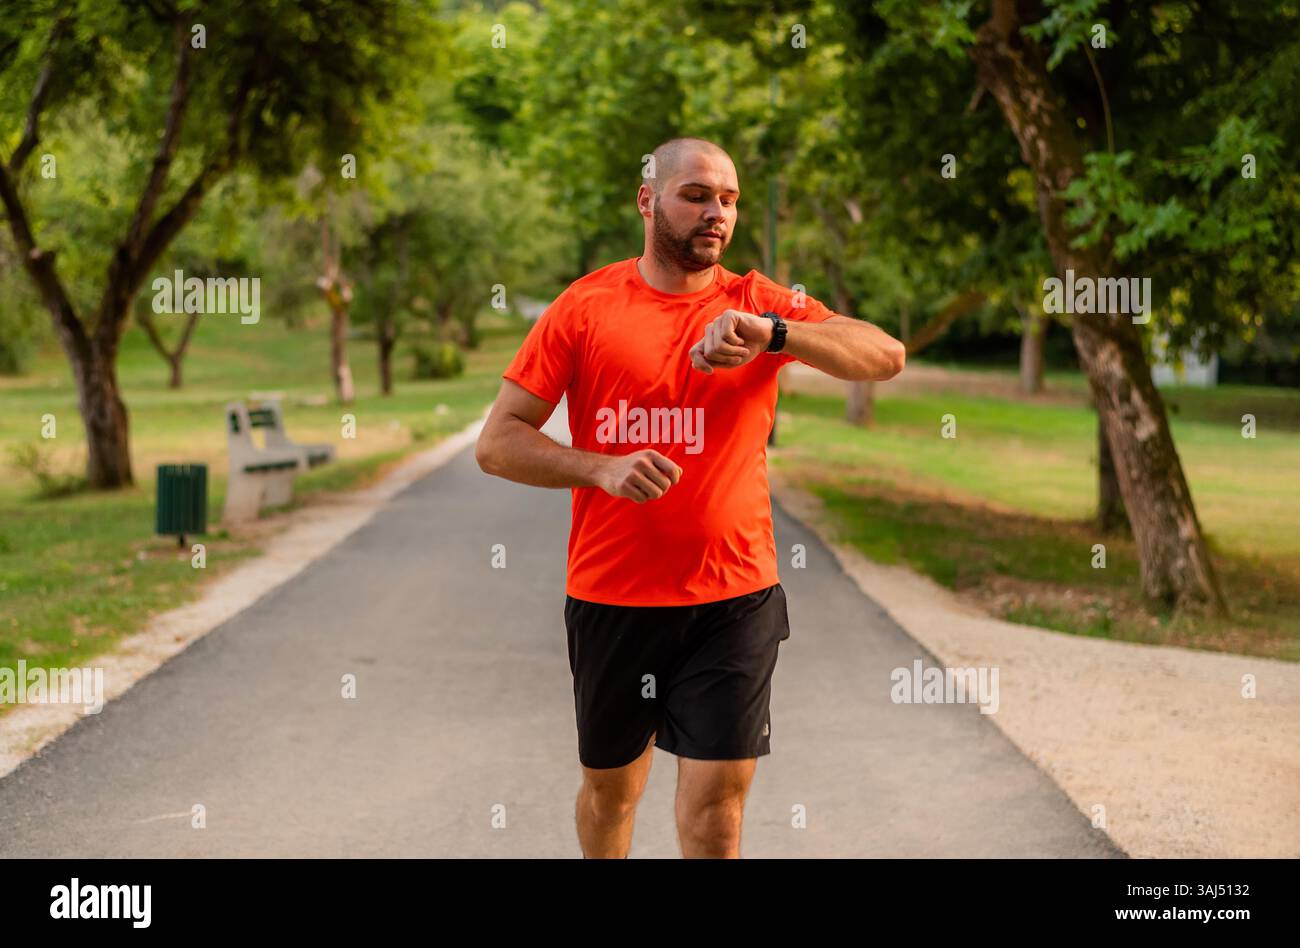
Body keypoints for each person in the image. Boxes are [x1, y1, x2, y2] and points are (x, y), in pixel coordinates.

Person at [475, 136, 905, 858]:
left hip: (733, 598)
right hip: (614, 597)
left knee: (717, 810)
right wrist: (599, 468)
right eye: (697, 195)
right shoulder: (584, 308)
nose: (717, 214)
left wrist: (774, 334)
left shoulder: (758, 303)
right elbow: (497, 442)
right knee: (612, 795)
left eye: (730, 200)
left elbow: (885, 354)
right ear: (648, 201)